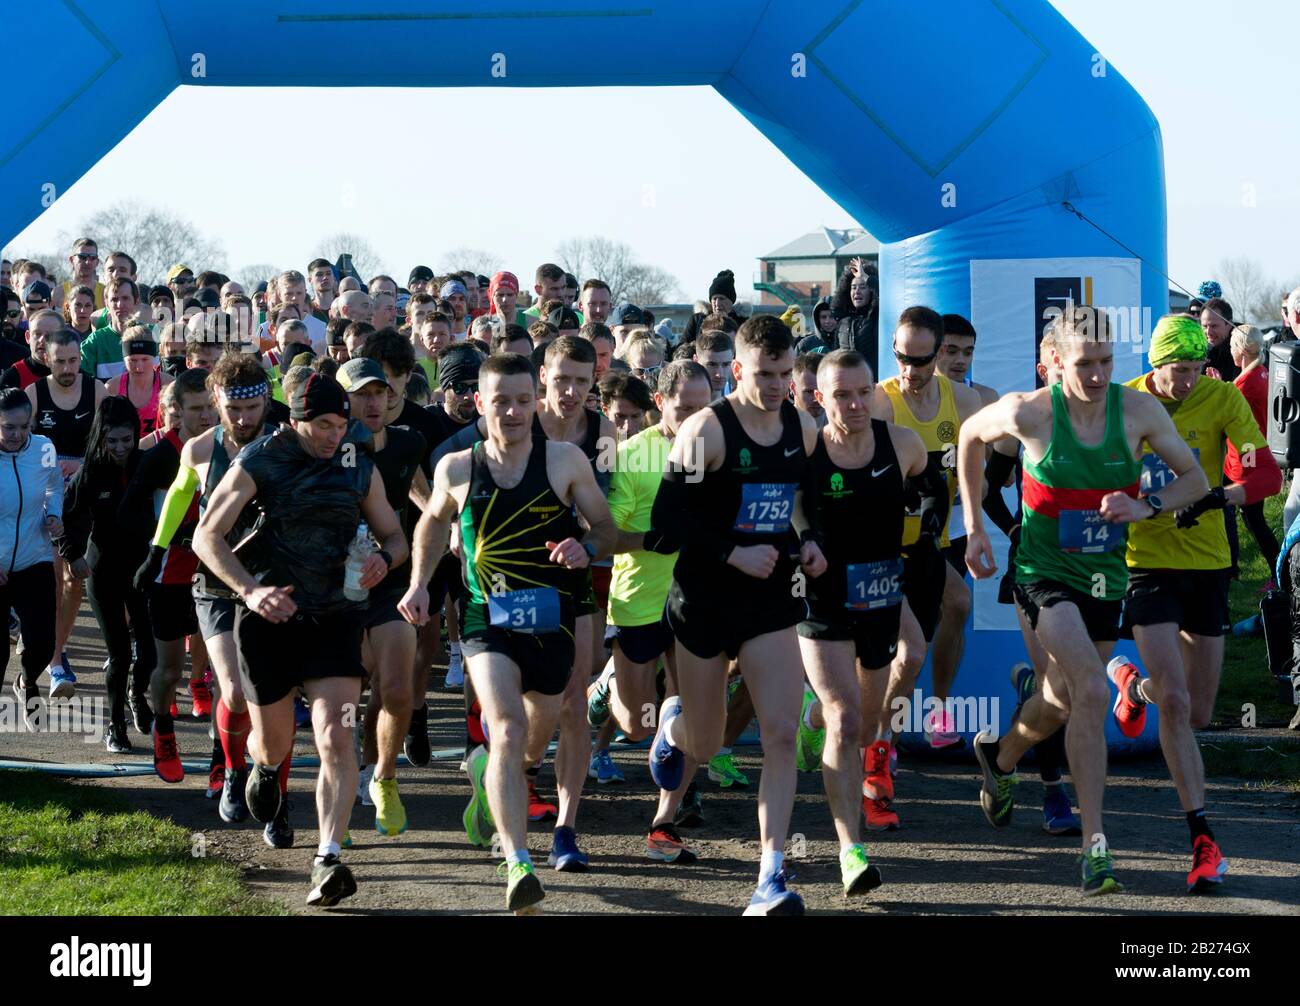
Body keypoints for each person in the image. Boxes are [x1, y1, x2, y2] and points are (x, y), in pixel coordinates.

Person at [959, 309, 1210, 894]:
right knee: (1094, 689)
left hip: (1104, 576)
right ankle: (1096, 848)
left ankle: (999, 757)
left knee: (1063, 698)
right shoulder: (1030, 411)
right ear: (1054, 363)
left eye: (1105, 362)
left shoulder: (1139, 410)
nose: (1097, 376)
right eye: (1083, 364)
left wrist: (1146, 506)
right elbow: (970, 436)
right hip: (1042, 571)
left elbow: (1195, 479)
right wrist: (974, 527)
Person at [398, 352, 614, 913]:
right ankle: (517, 861)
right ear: (480, 404)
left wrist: (585, 546)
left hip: (552, 616)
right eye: (501, 402)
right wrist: (420, 583)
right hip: (483, 617)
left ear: (535, 401)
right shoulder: (457, 468)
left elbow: (608, 528)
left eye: (523, 400)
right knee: (508, 725)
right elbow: (430, 524)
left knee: (532, 738)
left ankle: (488, 771)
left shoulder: (565, 461)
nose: (513, 412)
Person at [193, 369, 408, 907]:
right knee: (275, 744)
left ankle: (328, 856)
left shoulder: (359, 464)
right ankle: (262, 769)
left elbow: (396, 534)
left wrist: (384, 559)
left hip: (334, 618)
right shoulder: (260, 459)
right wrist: (248, 591)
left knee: (337, 734)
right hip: (269, 619)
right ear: (294, 421)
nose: (337, 435)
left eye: (343, 424)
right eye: (325, 426)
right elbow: (205, 536)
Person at [649, 313, 819, 915]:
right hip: (704, 602)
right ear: (737, 369)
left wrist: (810, 539)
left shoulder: (803, 426)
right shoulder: (705, 431)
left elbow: (803, 499)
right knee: (705, 739)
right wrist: (731, 550)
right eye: (765, 374)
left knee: (777, 731)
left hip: (770, 600)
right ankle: (671, 730)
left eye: (786, 373)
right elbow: (666, 523)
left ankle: (768, 877)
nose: (777, 386)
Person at [1107, 314, 1280, 893]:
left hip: (1207, 562)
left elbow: (1266, 476)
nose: (1185, 382)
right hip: (1145, 562)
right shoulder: (1125, 400)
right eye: (1174, 372)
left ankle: (1134, 688)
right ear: (1153, 367)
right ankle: (1202, 839)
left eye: (1193, 370)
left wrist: (1214, 498)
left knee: (1199, 711)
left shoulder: (1222, 396)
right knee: (1178, 703)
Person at [793, 349, 939, 895]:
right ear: (819, 397)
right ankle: (850, 849)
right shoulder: (808, 445)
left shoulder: (898, 442)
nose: (854, 405)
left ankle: (813, 720)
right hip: (822, 596)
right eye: (841, 396)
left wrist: (928, 529)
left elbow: (933, 487)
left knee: (871, 722)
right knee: (847, 719)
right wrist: (806, 540)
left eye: (862, 393)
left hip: (881, 593)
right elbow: (790, 500)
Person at [147, 353, 288, 837]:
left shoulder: (287, 442)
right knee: (232, 690)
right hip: (215, 582)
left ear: (266, 400)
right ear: (217, 405)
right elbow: (183, 494)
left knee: (272, 696)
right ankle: (232, 771)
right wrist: (158, 548)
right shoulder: (200, 449)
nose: (244, 419)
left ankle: (276, 800)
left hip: (274, 578)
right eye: (233, 410)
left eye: (252, 408)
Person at [586, 360, 712, 859]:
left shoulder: (718, 449)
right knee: (638, 724)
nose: (696, 417)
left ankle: (663, 822)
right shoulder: (633, 455)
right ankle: (607, 686)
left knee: (694, 713)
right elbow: (605, 535)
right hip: (639, 598)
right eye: (685, 408)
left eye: (705, 406)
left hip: (698, 599)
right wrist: (654, 539)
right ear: (659, 404)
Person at [872, 307, 983, 767]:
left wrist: (975, 525)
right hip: (880, 545)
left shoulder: (967, 402)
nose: (909, 371)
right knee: (899, 654)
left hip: (931, 542)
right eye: (901, 358)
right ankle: (868, 738)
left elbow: (979, 477)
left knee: (953, 608)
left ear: (938, 354)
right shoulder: (880, 401)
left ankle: (931, 715)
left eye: (919, 361)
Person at [338, 357, 430, 836]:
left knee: (398, 689)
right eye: (361, 394)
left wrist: (444, 522)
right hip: (338, 586)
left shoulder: (409, 443)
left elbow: (421, 493)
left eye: (379, 393)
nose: (372, 402)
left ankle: (384, 779)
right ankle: (341, 783)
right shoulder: (328, 449)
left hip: (391, 573)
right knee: (347, 693)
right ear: (343, 400)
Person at [122, 368, 218, 771]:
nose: (206, 417)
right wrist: (151, 554)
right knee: (169, 669)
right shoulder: (162, 454)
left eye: (211, 407)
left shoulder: (229, 446)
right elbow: (129, 509)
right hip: (170, 572)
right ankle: (163, 727)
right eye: (196, 409)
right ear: (175, 411)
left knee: (225, 670)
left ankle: (224, 756)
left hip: (217, 571)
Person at [58, 397, 153, 753]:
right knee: (119, 654)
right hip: (104, 571)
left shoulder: (146, 465)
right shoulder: (90, 473)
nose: (120, 448)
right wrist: (73, 556)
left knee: (149, 653)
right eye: (112, 441)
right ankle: (116, 726)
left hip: (142, 570)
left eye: (126, 440)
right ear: (101, 438)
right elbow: (65, 517)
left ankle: (137, 693)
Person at [26, 326, 107, 695]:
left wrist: (82, 465)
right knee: (55, 581)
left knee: (77, 580)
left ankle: (60, 646)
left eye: (74, 360)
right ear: (46, 358)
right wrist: (52, 464)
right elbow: (19, 446)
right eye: (61, 361)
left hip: (84, 496)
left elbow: (111, 444)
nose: (68, 368)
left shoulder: (97, 391)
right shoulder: (34, 394)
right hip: (47, 497)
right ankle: (56, 661)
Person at [0, 388, 63, 726]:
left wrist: (53, 513)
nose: (17, 435)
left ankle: (27, 680)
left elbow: (54, 484)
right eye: (9, 427)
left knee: (43, 642)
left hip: (33, 557)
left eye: (24, 426)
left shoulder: (43, 448)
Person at [1226, 324, 1279, 575]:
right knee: (1250, 519)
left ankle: (1282, 577)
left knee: (1254, 521)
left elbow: (1226, 415)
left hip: (1246, 456)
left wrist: (1220, 389)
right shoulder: (1261, 372)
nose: (1229, 352)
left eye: (1231, 347)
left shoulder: (1246, 383)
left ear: (1241, 349)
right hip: (1249, 453)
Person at [110, 325, 173, 436]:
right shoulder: (112, 388)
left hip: (159, 451)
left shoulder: (169, 385)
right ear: (124, 359)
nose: (139, 367)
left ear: (154, 358)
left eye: (145, 359)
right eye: (132, 360)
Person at [79, 277, 142, 382]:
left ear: (136, 302)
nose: (120, 305)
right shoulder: (95, 341)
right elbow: (81, 381)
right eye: (114, 299)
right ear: (107, 304)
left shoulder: (151, 336)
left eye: (125, 298)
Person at [832, 258, 879, 374]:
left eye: (863, 287)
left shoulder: (877, 317)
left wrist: (866, 278)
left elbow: (885, 294)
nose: (857, 291)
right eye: (853, 288)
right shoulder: (842, 322)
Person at [1, 308, 59, 389]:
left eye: (50, 334)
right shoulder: (12, 378)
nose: (42, 340)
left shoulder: (72, 374)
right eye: (37, 334)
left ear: (63, 337)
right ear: (28, 337)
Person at [680, 270, 743, 345]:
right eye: (714, 299)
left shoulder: (741, 322)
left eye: (722, 298)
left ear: (731, 301)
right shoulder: (697, 320)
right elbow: (681, 349)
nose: (717, 303)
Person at [1200, 297, 1239, 382]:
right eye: (1205, 326)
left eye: (1214, 326)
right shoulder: (1198, 352)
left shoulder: (1242, 353)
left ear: (1229, 325)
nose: (1208, 332)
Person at [791, 352, 826, 427]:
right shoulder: (779, 428)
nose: (816, 399)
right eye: (809, 392)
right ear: (793, 388)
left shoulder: (843, 424)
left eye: (821, 391)